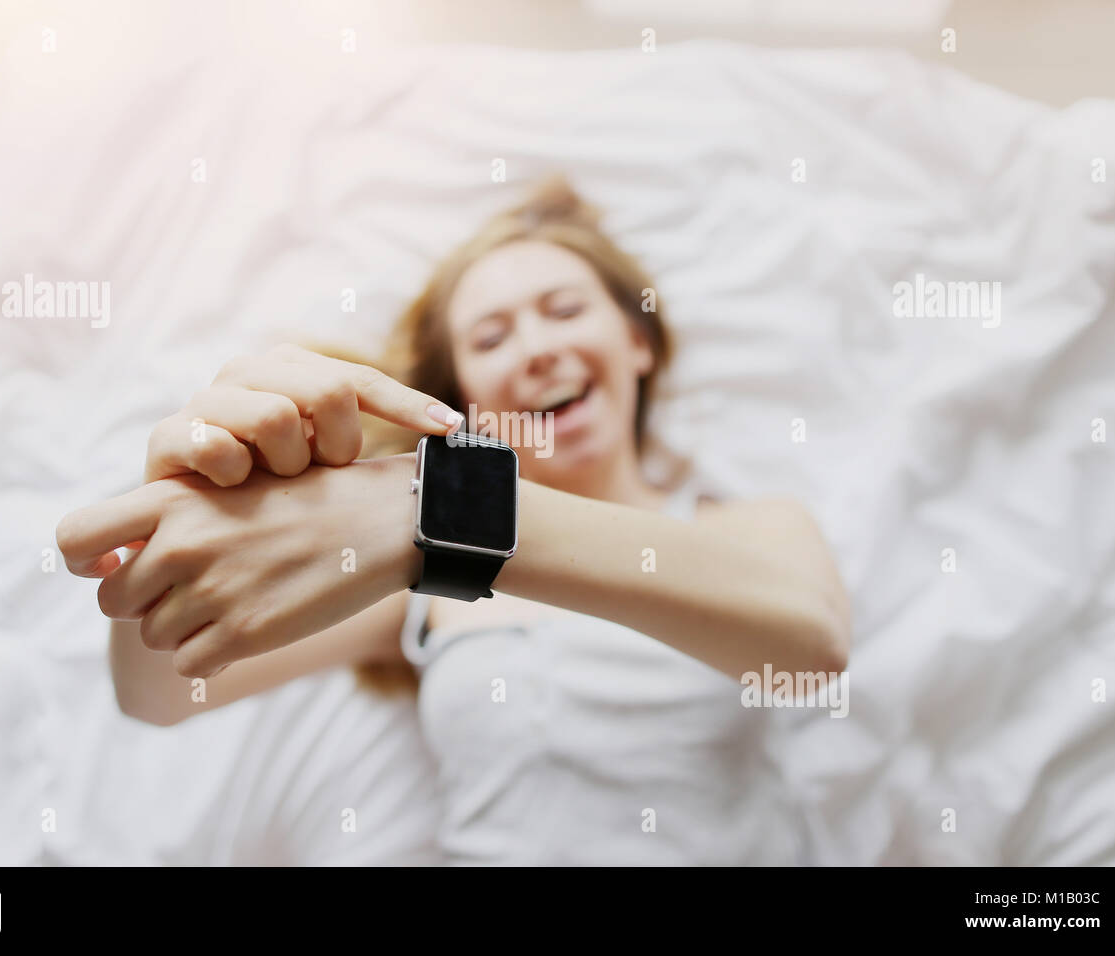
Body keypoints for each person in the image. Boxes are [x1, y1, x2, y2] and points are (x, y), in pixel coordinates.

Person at [57, 175, 851, 864]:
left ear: (638, 343)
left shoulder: (747, 528)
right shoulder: (414, 574)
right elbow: (157, 693)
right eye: (493, 336)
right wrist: (179, 525)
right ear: (467, 403)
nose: (536, 349)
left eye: (565, 309)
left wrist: (441, 511)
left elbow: (812, 650)